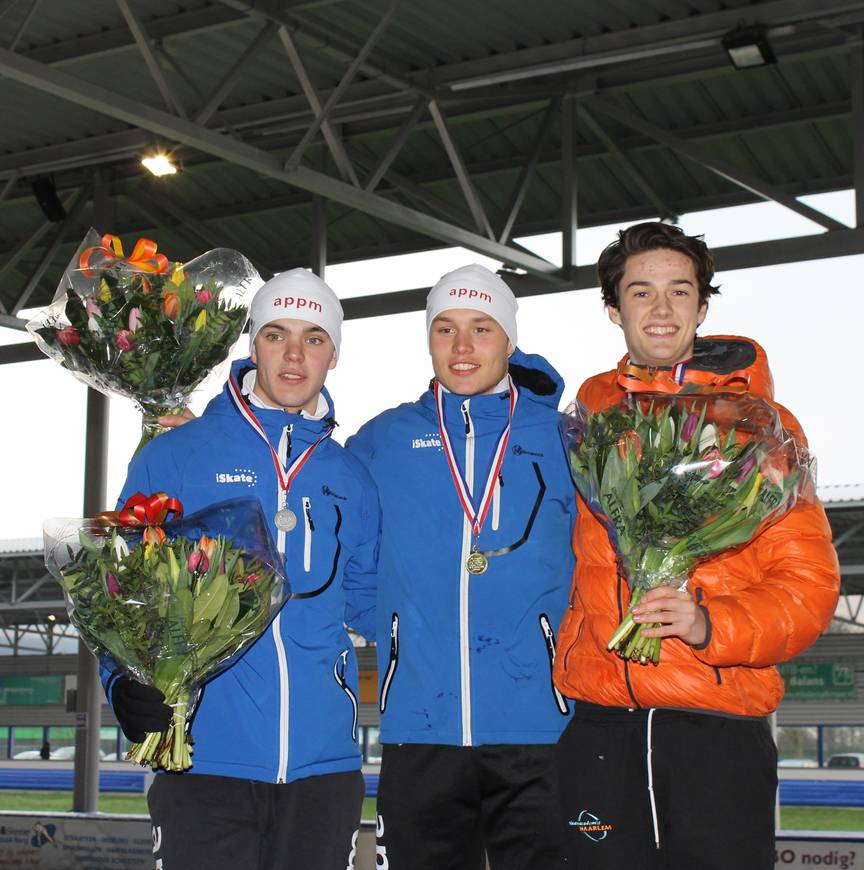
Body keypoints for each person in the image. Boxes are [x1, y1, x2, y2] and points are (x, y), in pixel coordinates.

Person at [553, 222, 841, 869]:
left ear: (703, 307)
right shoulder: (591, 418)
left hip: (717, 731)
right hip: (601, 726)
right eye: (641, 292)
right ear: (612, 308)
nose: (661, 310)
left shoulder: (761, 428)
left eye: (679, 292)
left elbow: (809, 587)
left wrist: (709, 623)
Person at [99, 269, 380, 870]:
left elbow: (373, 601)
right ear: (252, 344)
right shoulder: (177, 452)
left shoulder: (350, 476)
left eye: (314, 337)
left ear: (335, 352)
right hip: (205, 762)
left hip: (323, 771)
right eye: (277, 335)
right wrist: (121, 682)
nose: (295, 355)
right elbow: (118, 589)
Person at [347, 264, 576, 870]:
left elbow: (603, 561)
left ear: (509, 339)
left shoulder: (565, 438)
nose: (463, 346)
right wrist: (399, 632)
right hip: (420, 730)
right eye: (445, 328)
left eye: (482, 328)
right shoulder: (383, 440)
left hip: (543, 730)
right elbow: (344, 554)